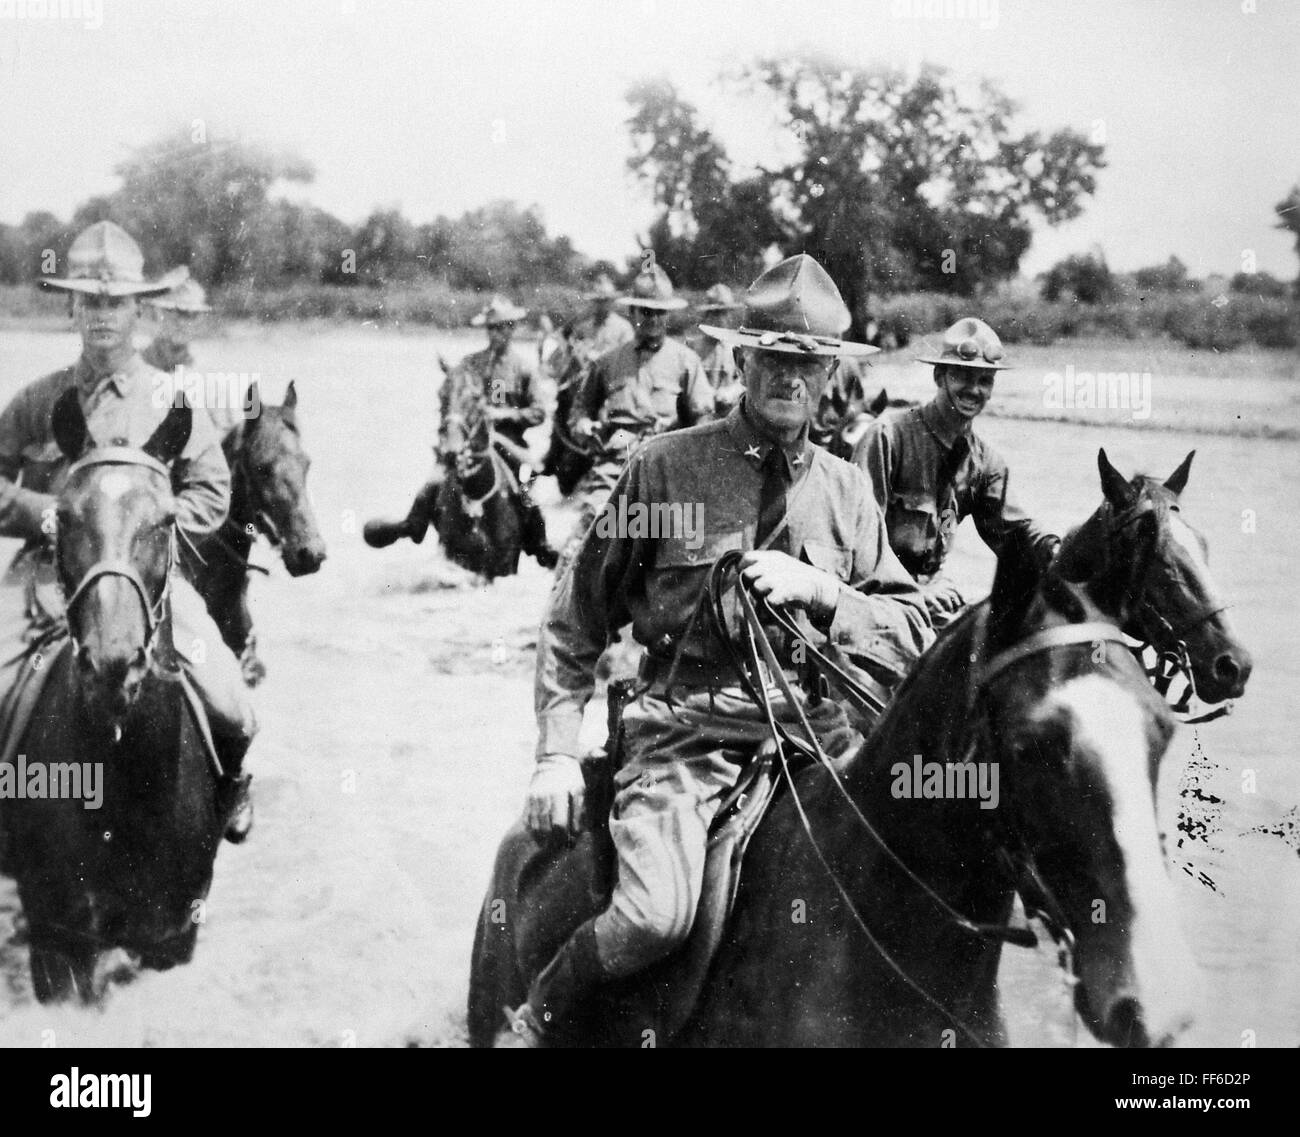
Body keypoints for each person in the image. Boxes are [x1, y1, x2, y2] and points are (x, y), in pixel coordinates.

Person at [497, 254, 933, 1047]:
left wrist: (828, 593)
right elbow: (575, 620)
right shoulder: (665, 469)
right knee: (654, 915)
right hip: (684, 737)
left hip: (815, 739)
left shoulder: (847, 491)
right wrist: (556, 753)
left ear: (830, 373)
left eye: (808, 362)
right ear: (740, 361)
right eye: (772, 357)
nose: (789, 377)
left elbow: (911, 631)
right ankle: (539, 1017)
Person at [0, 221, 255, 840]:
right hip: (44, 577)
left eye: (115, 304)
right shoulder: (37, 400)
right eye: (89, 303)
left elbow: (211, 489)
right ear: (72, 309)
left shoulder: (172, 400)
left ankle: (228, 793)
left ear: (139, 310)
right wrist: (48, 514)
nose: (102, 316)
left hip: (145, 585)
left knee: (230, 700)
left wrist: (149, 530)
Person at [851, 317, 1059, 629]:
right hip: (872, 597)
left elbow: (1016, 534)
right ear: (939, 376)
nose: (973, 390)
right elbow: (860, 537)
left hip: (932, 596)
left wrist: (1058, 549)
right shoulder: (889, 437)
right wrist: (912, 594)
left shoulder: (985, 463)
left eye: (984, 381)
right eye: (962, 376)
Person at [363, 294, 557, 566]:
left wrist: (505, 414)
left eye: (502, 327)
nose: (496, 333)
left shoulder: (523, 369)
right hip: (469, 442)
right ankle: (413, 524)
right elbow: (453, 400)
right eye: (492, 328)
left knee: (526, 494)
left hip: (507, 444)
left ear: (512, 328)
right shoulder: (469, 364)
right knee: (435, 480)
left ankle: (540, 545)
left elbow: (538, 412)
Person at [558, 264, 713, 570]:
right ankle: (565, 600)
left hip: (670, 464)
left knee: (694, 543)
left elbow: (703, 418)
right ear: (632, 313)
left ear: (668, 315)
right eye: (645, 312)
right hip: (616, 464)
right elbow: (580, 411)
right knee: (581, 543)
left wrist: (691, 461)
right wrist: (585, 426)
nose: (653, 319)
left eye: (659, 313)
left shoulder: (686, 361)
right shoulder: (608, 363)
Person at [688, 283, 745, 412]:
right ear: (706, 316)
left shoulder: (735, 347)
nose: (721, 319)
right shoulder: (693, 347)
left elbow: (744, 380)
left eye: (725, 313)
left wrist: (731, 392)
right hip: (701, 409)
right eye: (715, 314)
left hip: (728, 410)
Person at [141, 273, 212, 376]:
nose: (182, 322)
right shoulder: (137, 363)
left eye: (192, 315)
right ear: (157, 312)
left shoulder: (203, 370)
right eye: (174, 311)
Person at [566, 273, 633, 368]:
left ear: (612, 301)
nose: (601, 305)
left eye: (605, 301)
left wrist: (600, 356)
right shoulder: (584, 325)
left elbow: (627, 357)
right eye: (598, 301)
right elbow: (571, 344)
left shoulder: (623, 327)